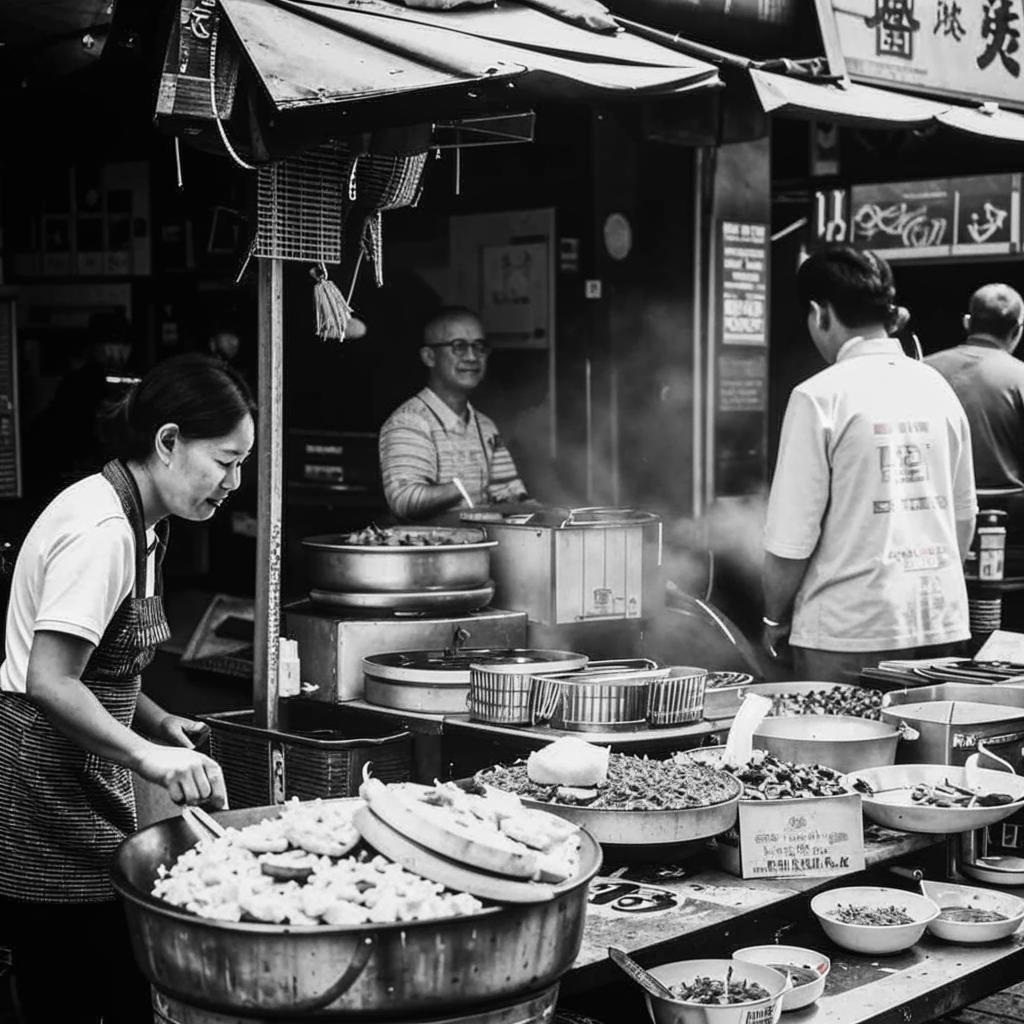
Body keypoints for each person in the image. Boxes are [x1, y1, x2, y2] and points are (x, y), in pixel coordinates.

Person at [0, 353, 254, 1023]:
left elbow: (99, 667)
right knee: (82, 996)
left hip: (86, 787)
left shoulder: (142, 522)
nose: (235, 483)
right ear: (168, 442)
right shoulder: (102, 530)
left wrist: (154, 718)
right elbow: (49, 681)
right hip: (44, 799)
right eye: (225, 461)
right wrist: (148, 757)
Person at [761, 244, 977, 683]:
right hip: (939, 623)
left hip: (847, 634)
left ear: (820, 313)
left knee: (839, 750)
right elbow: (963, 517)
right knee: (930, 751)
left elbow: (791, 540)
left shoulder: (819, 397)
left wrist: (773, 618)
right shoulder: (937, 388)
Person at [379, 306, 528, 521]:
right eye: (458, 346)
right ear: (429, 356)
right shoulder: (409, 422)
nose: (472, 356)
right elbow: (405, 501)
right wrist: (460, 488)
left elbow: (510, 495)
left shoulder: (485, 426)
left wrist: (551, 513)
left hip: (478, 549)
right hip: (428, 553)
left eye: (479, 347)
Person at [925, 284, 1024, 493]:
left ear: (967, 323)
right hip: (1013, 513)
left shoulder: (923, 370)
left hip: (940, 509)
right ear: (1017, 330)